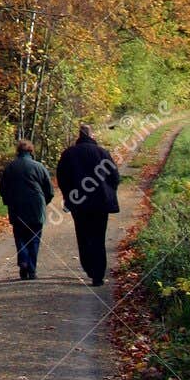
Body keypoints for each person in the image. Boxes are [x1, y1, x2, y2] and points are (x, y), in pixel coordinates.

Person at [56, 123, 120, 286]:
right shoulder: (102, 153)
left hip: (79, 203)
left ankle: (89, 267)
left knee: (83, 235)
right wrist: (109, 192)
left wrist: (68, 196)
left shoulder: (69, 154)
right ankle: (98, 274)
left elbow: (62, 178)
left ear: (79, 135)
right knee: (99, 237)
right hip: (101, 202)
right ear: (92, 136)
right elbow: (114, 176)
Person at [0, 137, 54, 279]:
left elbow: (3, 188)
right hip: (36, 207)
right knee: (34, 238)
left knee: (20, 236)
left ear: (18, 151)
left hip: (17, 207)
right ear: (31, 151)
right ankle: (32, 269)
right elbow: (49, 190)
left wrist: (8, 201)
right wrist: (43, 202)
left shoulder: (10, 167)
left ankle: (23, 261)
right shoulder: (39, 166)